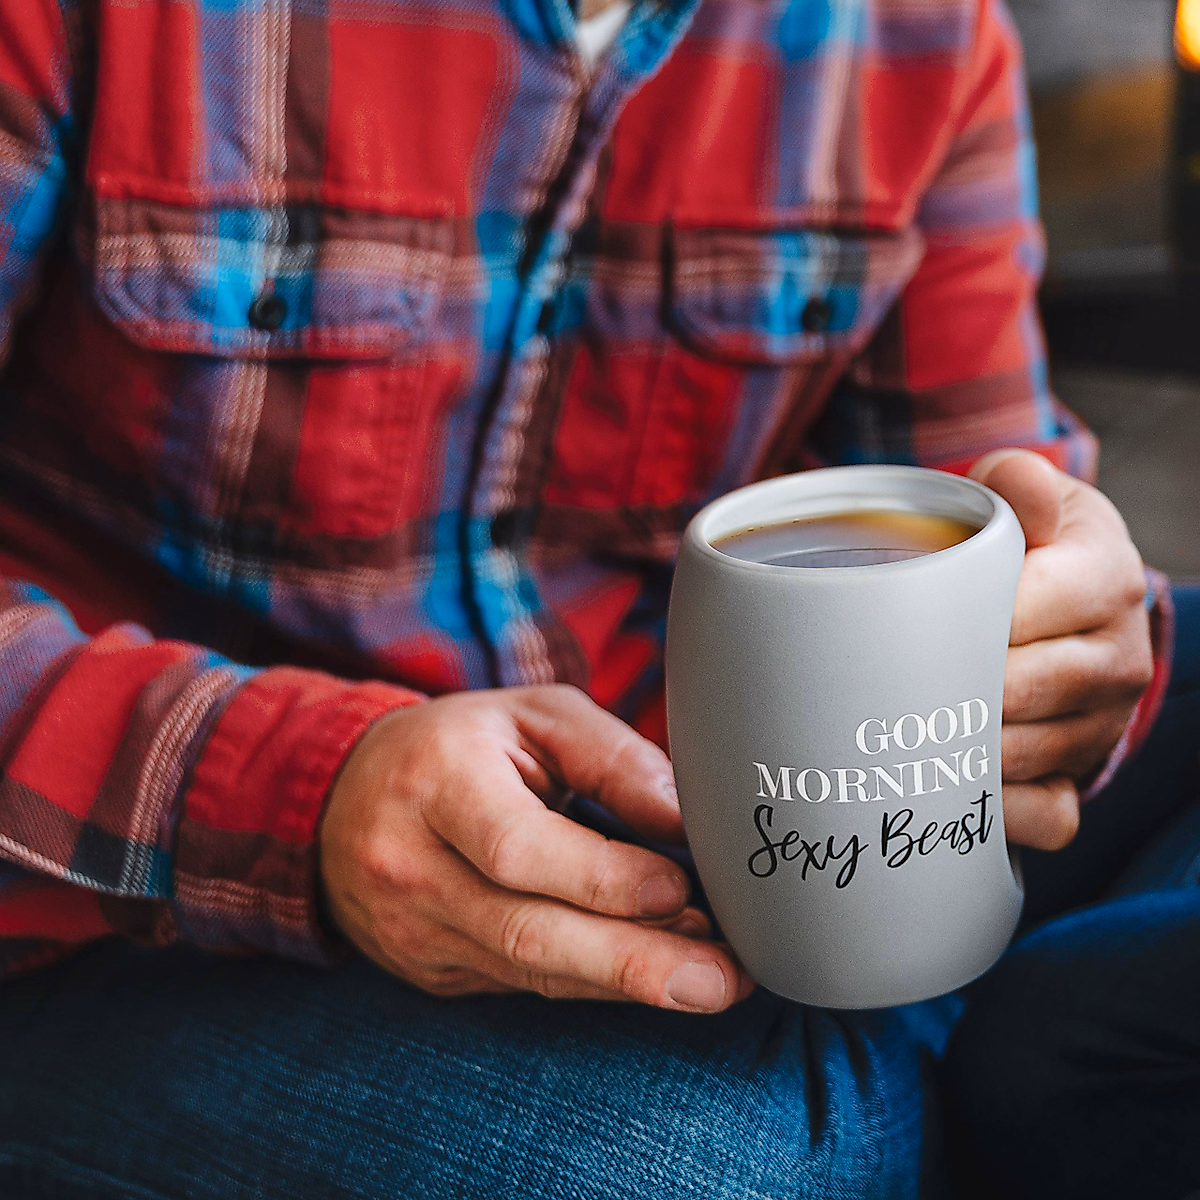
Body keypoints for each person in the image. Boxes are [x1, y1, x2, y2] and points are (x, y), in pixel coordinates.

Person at [0, 0, 1176, 1194]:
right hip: (118, 897)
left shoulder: (916, 32)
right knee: (736, 1163)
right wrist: (306, 793)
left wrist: (1077, 641)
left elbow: (981, 504)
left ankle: (971, 1057)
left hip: (686, 803)